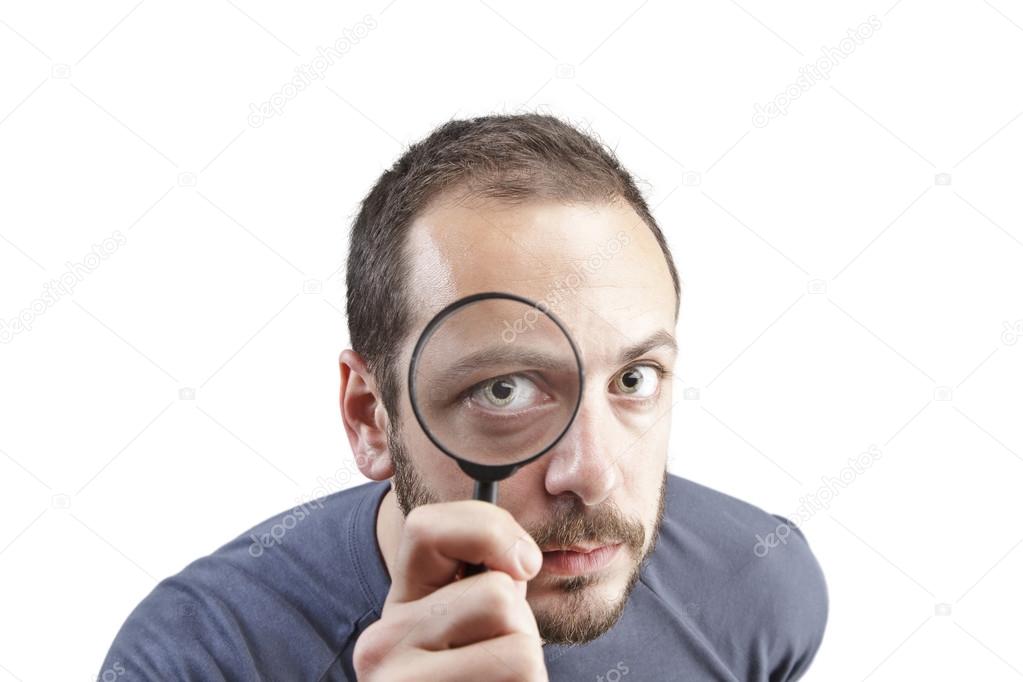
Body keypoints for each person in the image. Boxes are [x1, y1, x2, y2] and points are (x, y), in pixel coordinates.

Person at [99, 113, 828, 681]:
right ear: (369, 417)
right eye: (503, 390)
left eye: (632, 380)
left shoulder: (759, 584)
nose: (592, 473)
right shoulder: (199, 654)